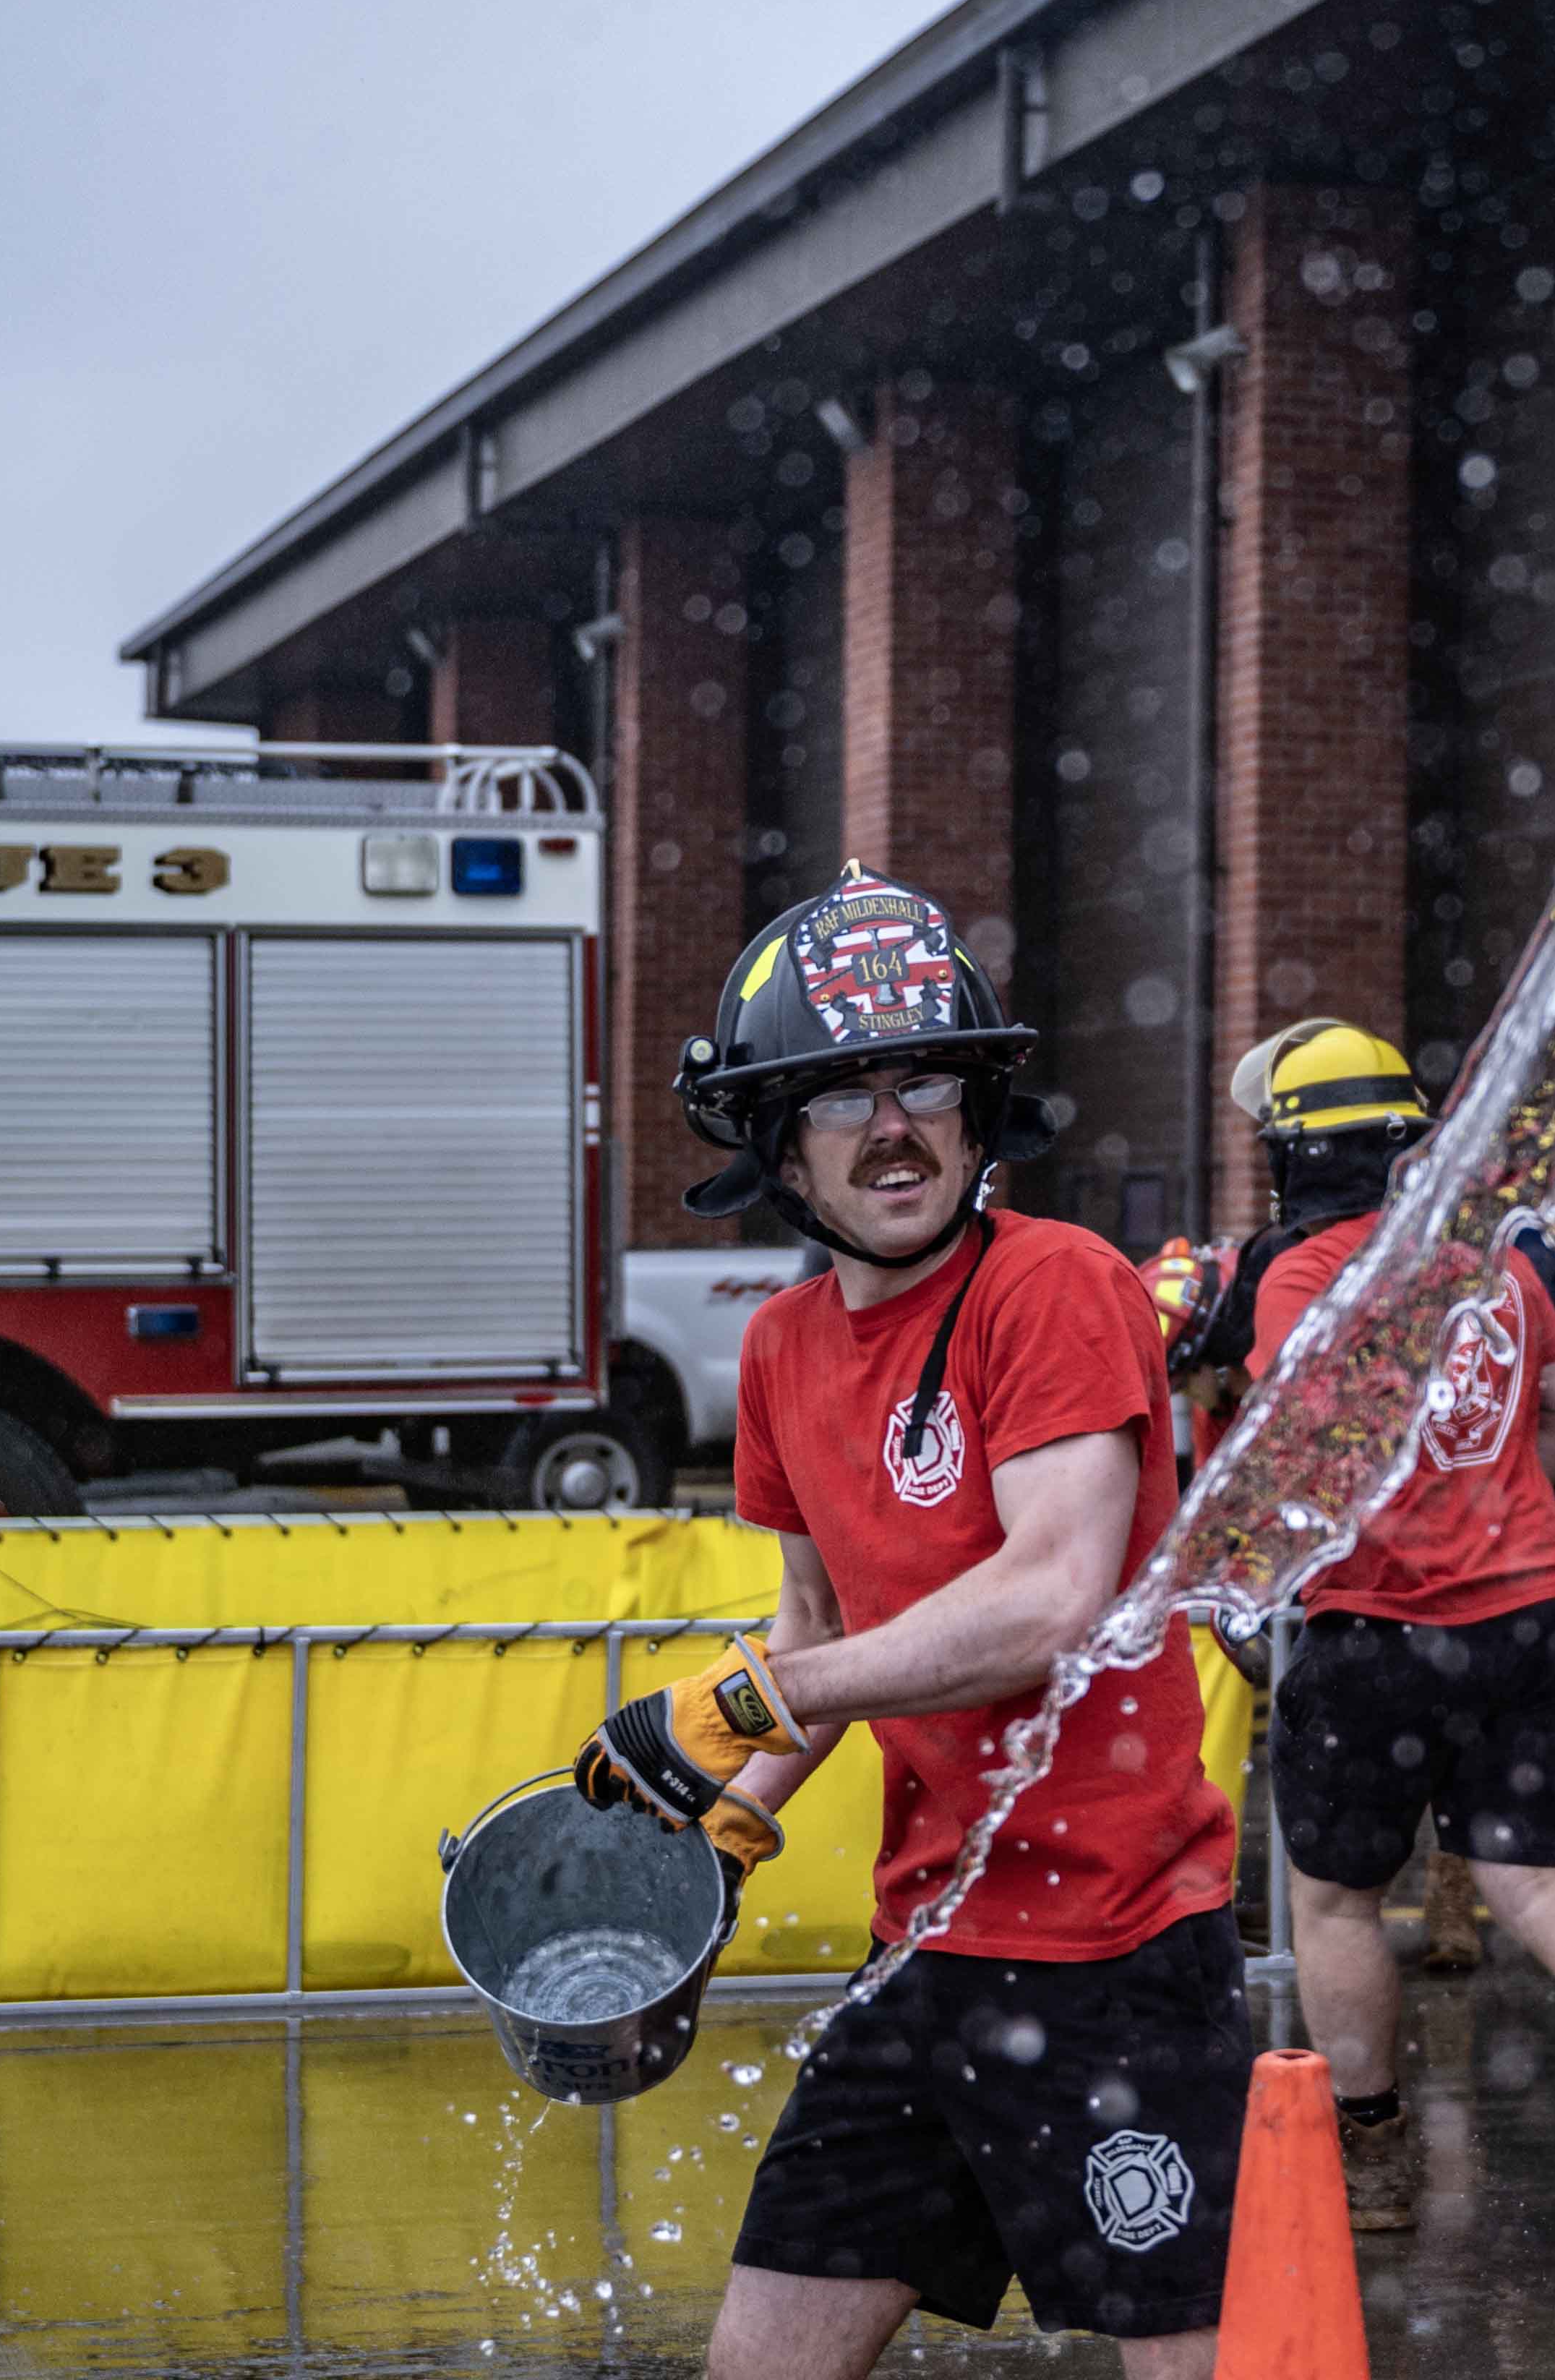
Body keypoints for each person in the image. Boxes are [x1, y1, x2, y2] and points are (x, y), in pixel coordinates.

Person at [573, 865, 1248, 2379]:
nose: (891, 1125)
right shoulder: (779, 1350)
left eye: (924, 1078)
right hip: (925, 1953)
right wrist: (716, 1848)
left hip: (1120, 1957)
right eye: (836, 1093)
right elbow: (816, 1631)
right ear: (775, 1143)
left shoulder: (1060, 1286)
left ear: (978, 1105)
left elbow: (1049, 1599)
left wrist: (745, 1700)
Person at [1223, 1017, 1555, 2248]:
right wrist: (1491, 1501)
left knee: (1342, 1903)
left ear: (1296, 1156)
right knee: (1534, 1879)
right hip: (1534, 1613)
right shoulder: (1493, 1264)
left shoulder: (1304, 1279)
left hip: (1378, 1637)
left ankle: (1379, 2158)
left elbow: (1288, 1463)